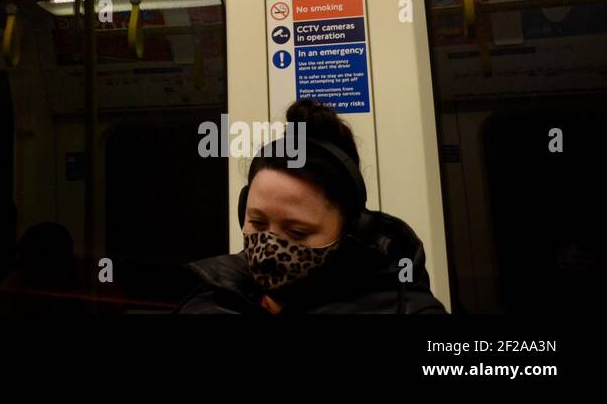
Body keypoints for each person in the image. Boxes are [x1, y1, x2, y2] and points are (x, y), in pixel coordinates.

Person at [178, 100, 445, 314]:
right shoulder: (210, 298)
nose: (269, 250)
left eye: (296, 232)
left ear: (352, 230)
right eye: (258, 223)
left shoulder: (408, 309)